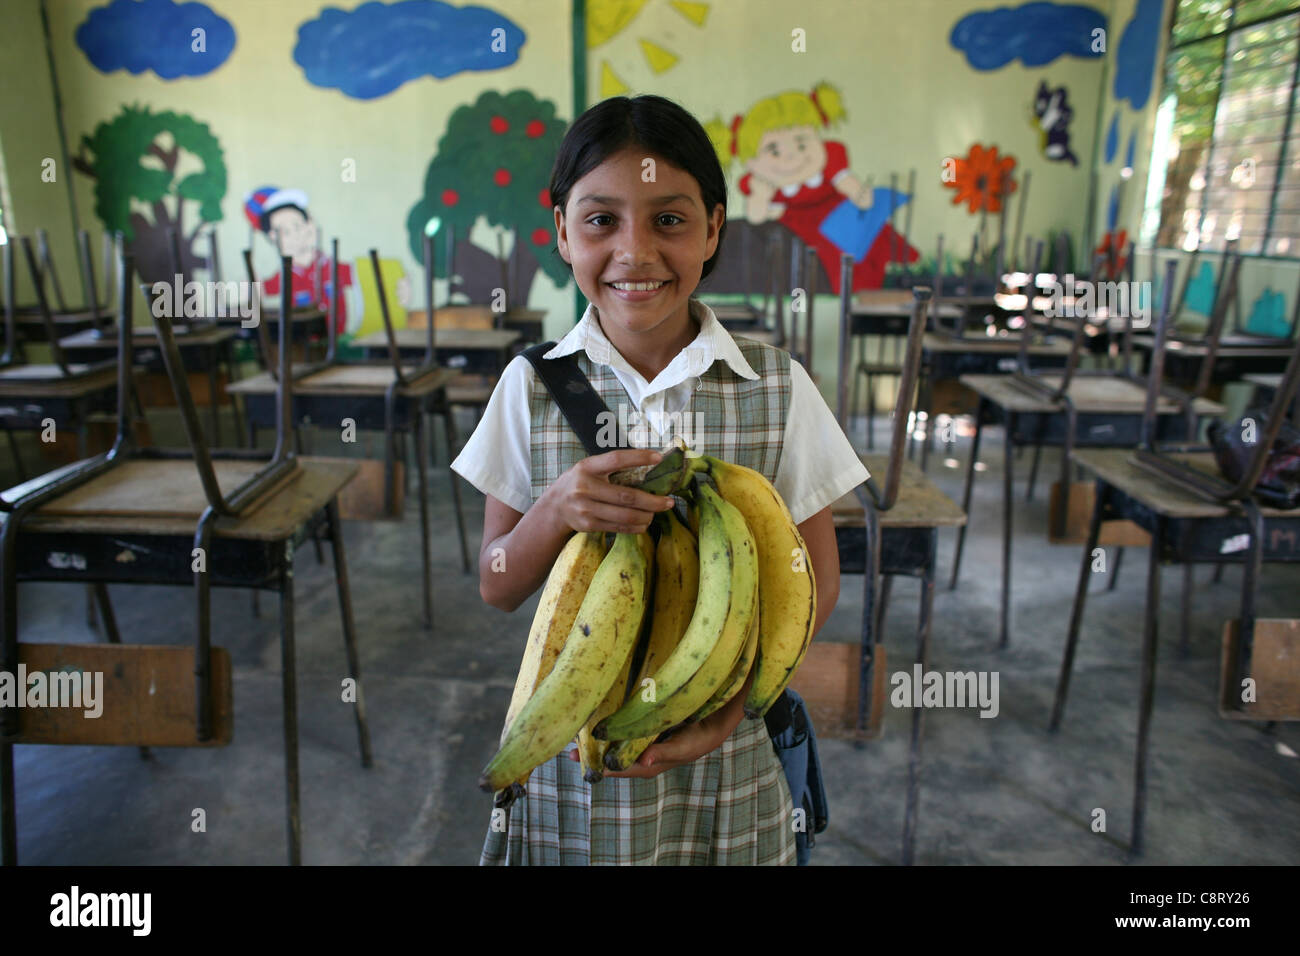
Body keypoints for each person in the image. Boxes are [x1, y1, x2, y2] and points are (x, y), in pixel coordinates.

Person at [450, 94, 870, 865]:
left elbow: (816, 583)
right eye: (601, 220)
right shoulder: (530, 386)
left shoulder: (776, 388)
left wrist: (728, 704)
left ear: (713, 229)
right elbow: (498, 583)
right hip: (578, 762)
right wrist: (554, 509)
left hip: (727, 757)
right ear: (562, 234)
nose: (635, 253)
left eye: (669, 220)